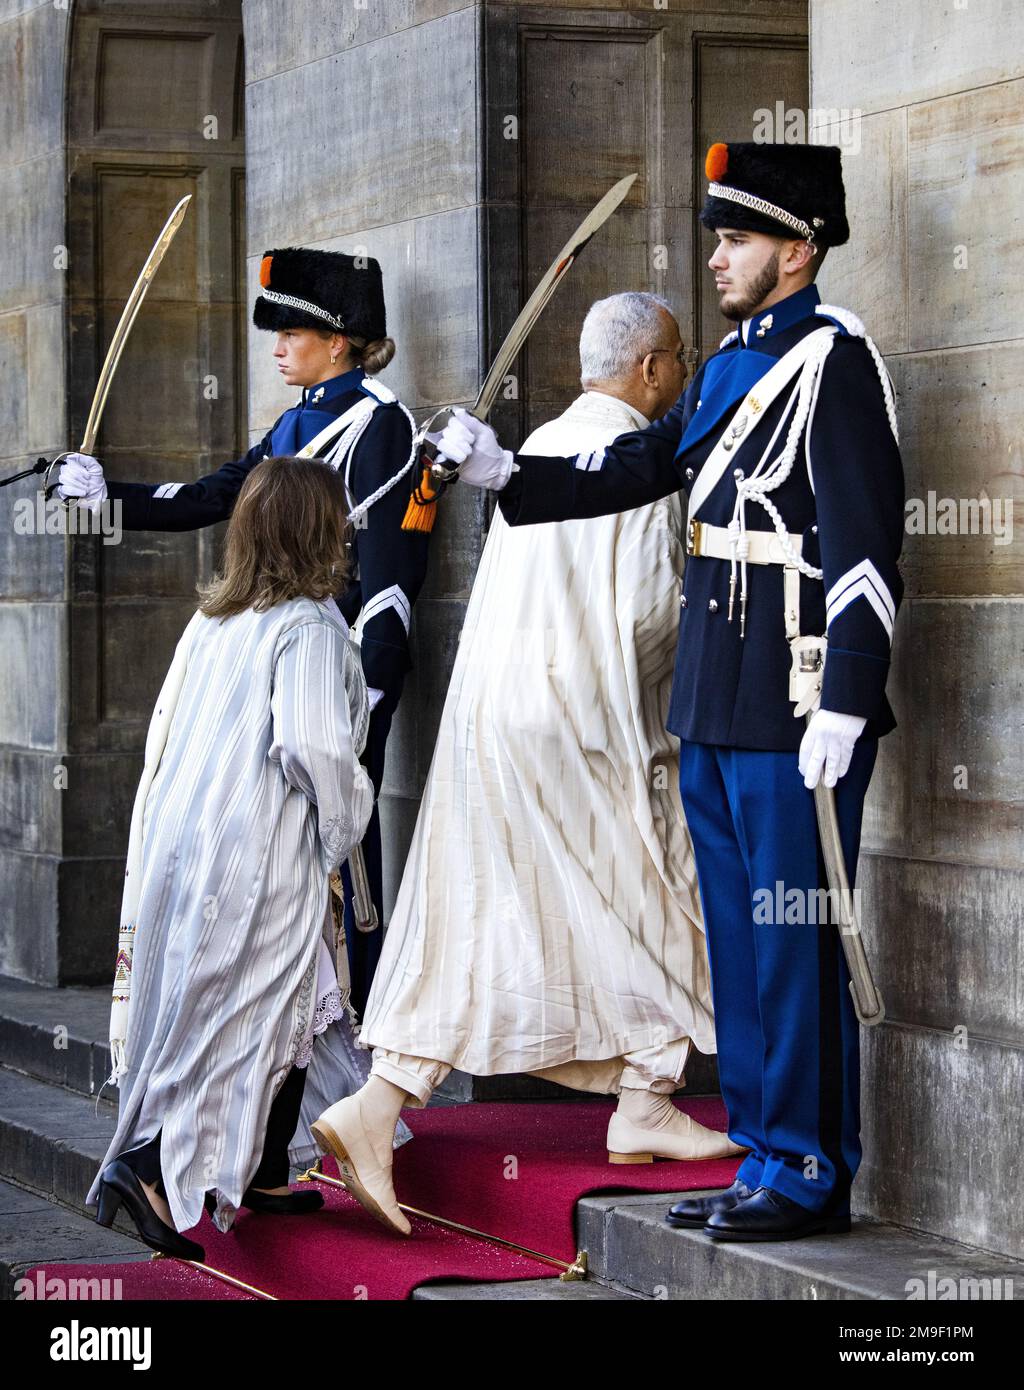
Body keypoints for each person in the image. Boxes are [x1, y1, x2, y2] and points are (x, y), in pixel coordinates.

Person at [425, 141, 905, 1243]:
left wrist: (847, 688)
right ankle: (760, 1150)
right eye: (721, 239)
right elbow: (647, 467)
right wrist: (510, 472)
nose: (720, 260)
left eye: (737, 240)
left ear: (799, 247)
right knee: (737, 937)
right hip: (711, 696)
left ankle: (808, 1170)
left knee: (793, 940)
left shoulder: (833, 362)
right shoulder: (735, 361)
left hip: (792, 700)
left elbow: (869, 544)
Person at [308, 291, 744, 1239]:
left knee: (483, 916)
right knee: (668, 897)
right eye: (677, 358)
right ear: (653, 371)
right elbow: (646, 620)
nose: (680, 374)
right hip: (585, 727)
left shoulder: (540, 447)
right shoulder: (641, 468)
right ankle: (645, 1092)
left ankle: (387, 1099)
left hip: (494, 722)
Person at [57, 247, 430, 1018]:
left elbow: (392, 572)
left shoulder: (380, 424)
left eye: (292, 332)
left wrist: (373, 685)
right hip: (275, 659)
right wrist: (103, 498)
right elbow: (211, 496)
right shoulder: (296, 420)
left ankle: (357, 1027)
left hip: (339, 662)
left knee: (346, 854)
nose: (278, 347)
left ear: (339, 340)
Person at [84, 456, 375, 1260]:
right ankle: (147, 1168)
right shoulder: (309, 627)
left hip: (186, 844)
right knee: (242, 1016)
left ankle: (264, 1168)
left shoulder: (214, 618)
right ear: (320, 532)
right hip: (257, 851)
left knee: (247, 1003)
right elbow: (312, 746)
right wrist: (348, 822)